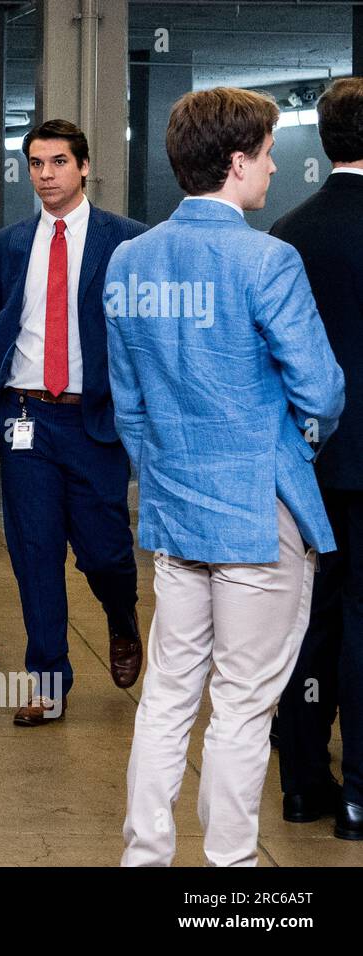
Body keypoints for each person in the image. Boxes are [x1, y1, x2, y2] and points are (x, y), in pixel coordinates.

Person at [111, 87, 345, 867]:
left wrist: (170, 470)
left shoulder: (130, 259)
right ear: (238, 162)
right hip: (257, 516)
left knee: (169, 699)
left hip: (177, 513)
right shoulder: (267, 259)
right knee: (244, 706)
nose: (277, 168)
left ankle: (146, 856)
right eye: (270, 154)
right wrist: (291, 448)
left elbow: (129, 406)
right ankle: (231, 874)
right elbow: (322, 391)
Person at [0, 119, 147, 726]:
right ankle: (47, 681)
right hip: (26, 417)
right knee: (33, 551)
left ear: (84, 167)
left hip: (93, 421)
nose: (45, 175)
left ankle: (120, 616)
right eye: (36, 164)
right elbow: (2, 332)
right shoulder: (9, 243)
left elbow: (138, 333)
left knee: (107, 554)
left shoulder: (126, 241)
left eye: (58, 162)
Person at [269, 75, 363, 841]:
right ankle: (361, 795)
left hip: (309, 461)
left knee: (308, 618)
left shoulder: (287, 236)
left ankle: (302, 785)